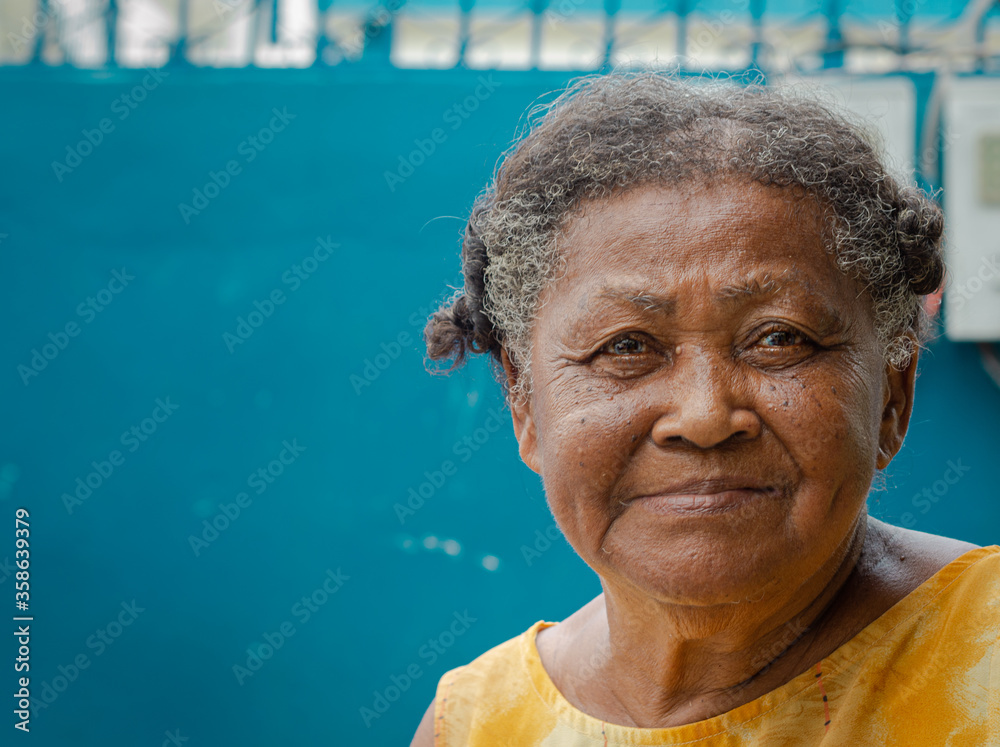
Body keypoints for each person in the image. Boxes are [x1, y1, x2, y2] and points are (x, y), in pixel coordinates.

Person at [409, 72, 999, 746]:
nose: (704, 415)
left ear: (894, 392)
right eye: (625, 346)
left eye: (780, 338)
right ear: (524, 404)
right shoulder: (476, 725)